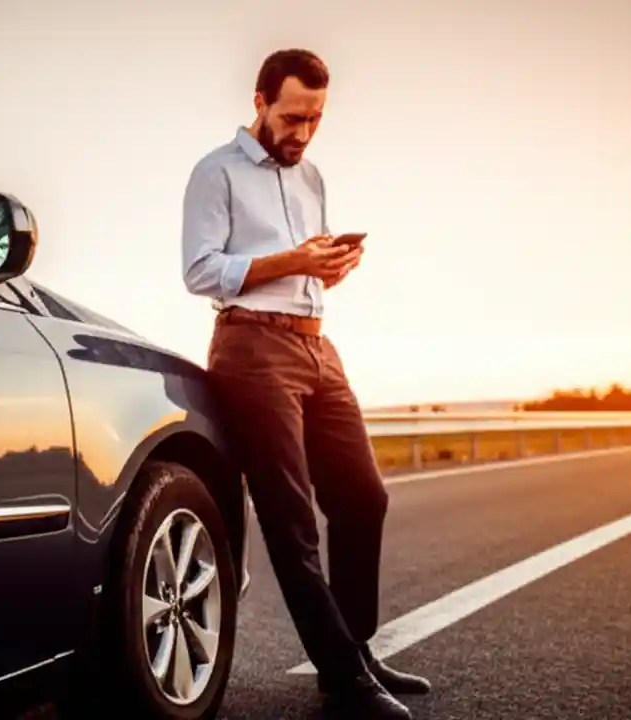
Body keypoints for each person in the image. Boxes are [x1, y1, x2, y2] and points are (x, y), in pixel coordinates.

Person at [180, 48, 430, 720]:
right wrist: (293, 260)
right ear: (260, 102)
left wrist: (328, 269)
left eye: (315, 119)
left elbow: (301, 269)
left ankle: (356, 650)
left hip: (317, 346)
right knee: (291, 524)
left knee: (363, 497)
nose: (304, 132)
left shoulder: (312, 176)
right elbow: (199, 270)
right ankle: (345, 679)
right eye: (293, 117)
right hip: (252, 349)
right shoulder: (216, 171)